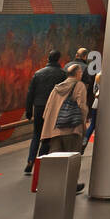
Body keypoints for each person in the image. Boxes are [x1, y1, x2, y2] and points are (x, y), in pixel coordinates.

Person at [39, 62, 89, 192]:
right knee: (71, 158)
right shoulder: (79, 85)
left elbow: (47, 109)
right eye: (81, 73)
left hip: (55, 130)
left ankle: (53, 185)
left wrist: (50, 127)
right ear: (78, 74)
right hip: (71, 128)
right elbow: (82, 106)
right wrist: (83, 123)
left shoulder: (56, 88)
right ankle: (71, 185)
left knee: (56, 159)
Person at [24, 49, 66, 175]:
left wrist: (28, 111)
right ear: (59, 59)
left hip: (38, 107)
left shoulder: (38, 73)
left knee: (36, 134)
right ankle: (39, 162)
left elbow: (30, 93)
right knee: (47, 136)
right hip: (52, 108)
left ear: (48, 58)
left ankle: (30, 160)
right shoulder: (62, 74)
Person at [83, 70, 100, 148]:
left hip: (96, 103)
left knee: (92, 124)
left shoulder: (98, 74)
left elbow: (94, 91)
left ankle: (84, 142)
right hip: (105, 104)